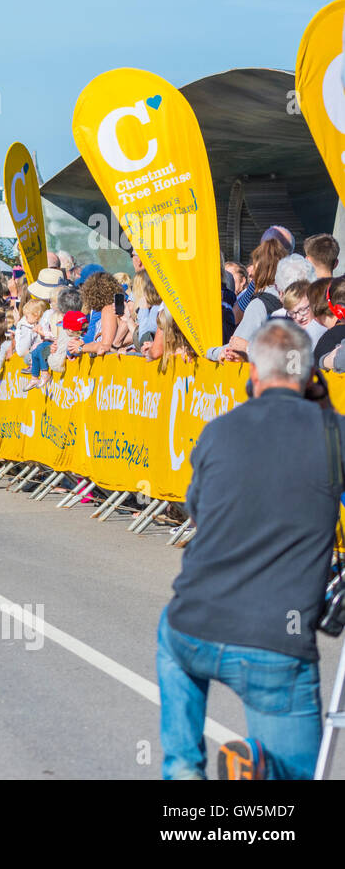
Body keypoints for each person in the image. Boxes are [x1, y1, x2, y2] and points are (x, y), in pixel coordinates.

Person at [157, 320, 335, 780]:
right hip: (276, 638)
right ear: (311, 373)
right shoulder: (333, 433)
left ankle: (184, 772)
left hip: (192, 623)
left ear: (253, 374)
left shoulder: (219, 430)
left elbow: (196, 512)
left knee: (171, 638)